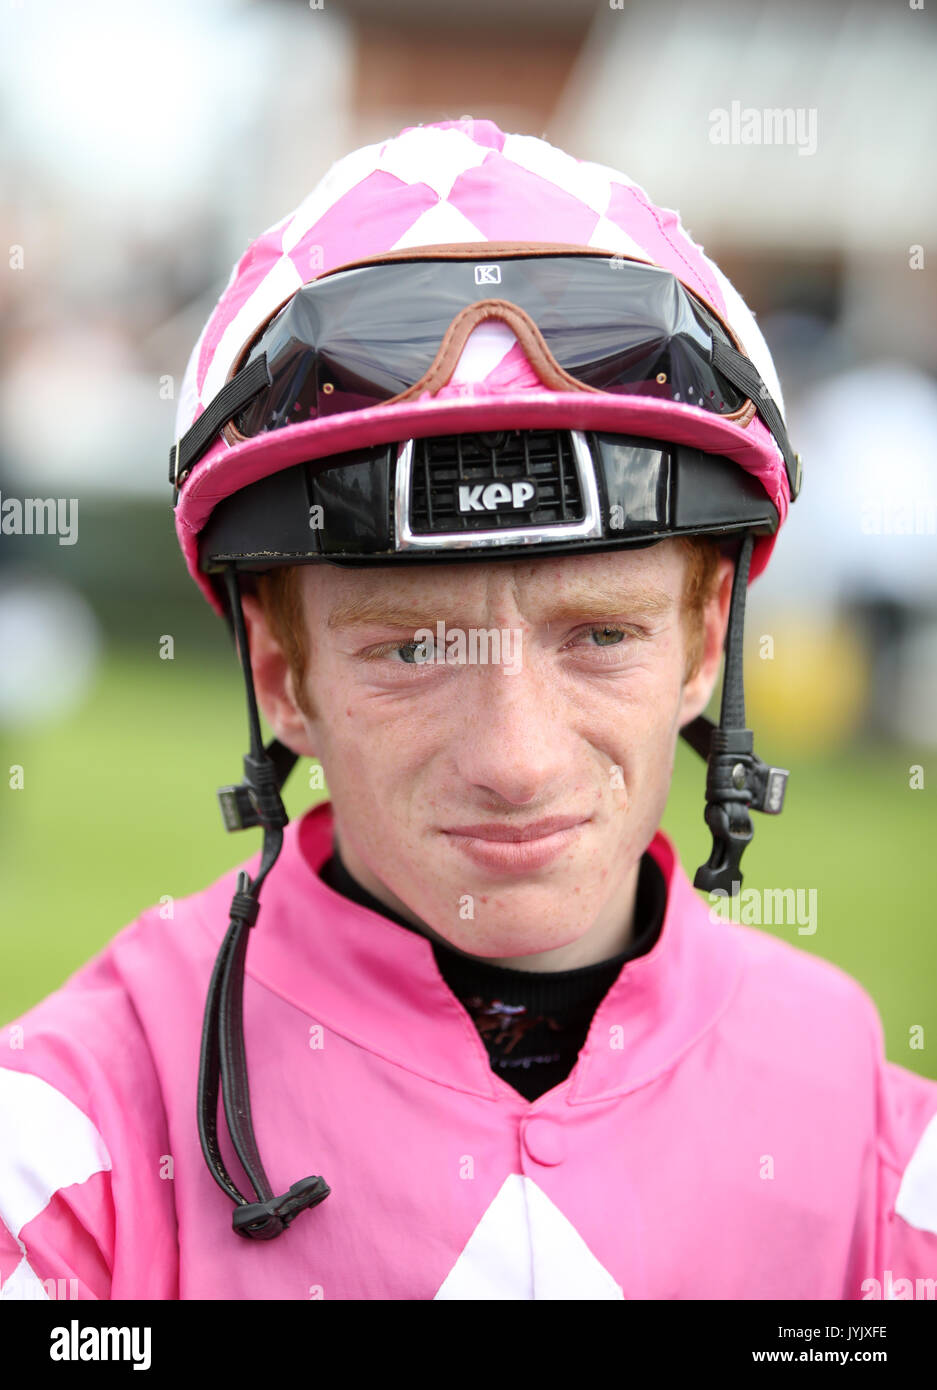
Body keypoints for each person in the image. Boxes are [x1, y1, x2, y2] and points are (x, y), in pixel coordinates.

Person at [2, 118, 935, 1301]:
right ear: (283, 672)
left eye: (599, 636)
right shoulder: (57, 1144)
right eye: (410, 650)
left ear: (705, 642)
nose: (516, 758)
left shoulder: (876, 1138)